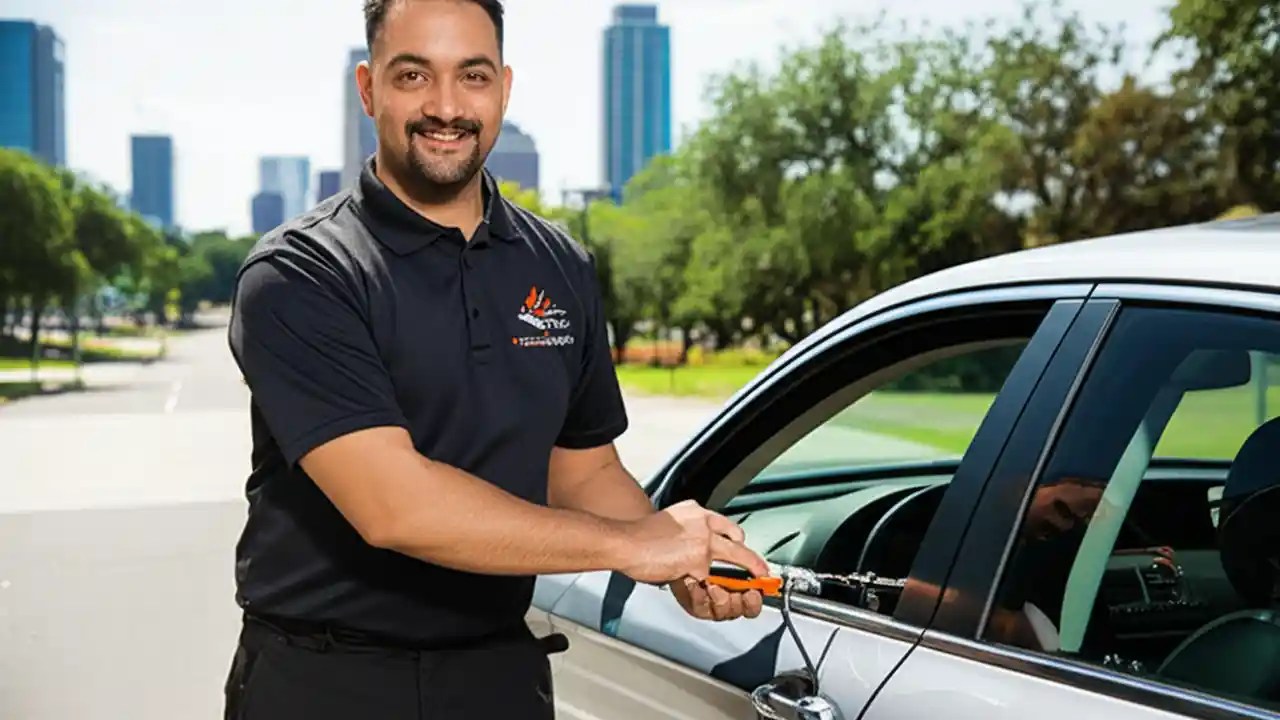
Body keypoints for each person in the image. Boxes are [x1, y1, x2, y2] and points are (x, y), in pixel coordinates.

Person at [221, 0, 768, 718]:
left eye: (471, 76)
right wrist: (634, 546)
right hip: (324, 681)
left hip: (498, 677)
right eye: (413, 75)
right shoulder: (301, 273)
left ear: (503, 89)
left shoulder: (560, 265)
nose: (446, 106)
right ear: (369, 89)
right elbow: (396, 508)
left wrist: (684, 562)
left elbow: (584, 469)